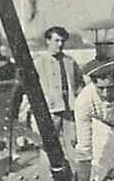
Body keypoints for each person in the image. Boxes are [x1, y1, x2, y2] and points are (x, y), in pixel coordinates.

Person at [31, 26, 84, 166]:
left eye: (62, 41)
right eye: (56, 40)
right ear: (48, 41)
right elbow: (31, 87)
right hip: (50, 110)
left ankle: (76, 175)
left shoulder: (70, 61)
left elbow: (80, 84)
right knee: (48, 146)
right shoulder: (39, 62)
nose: (60, 44)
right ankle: (46, 176)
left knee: (73, 144)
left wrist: (78, 101)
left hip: (69, 110)